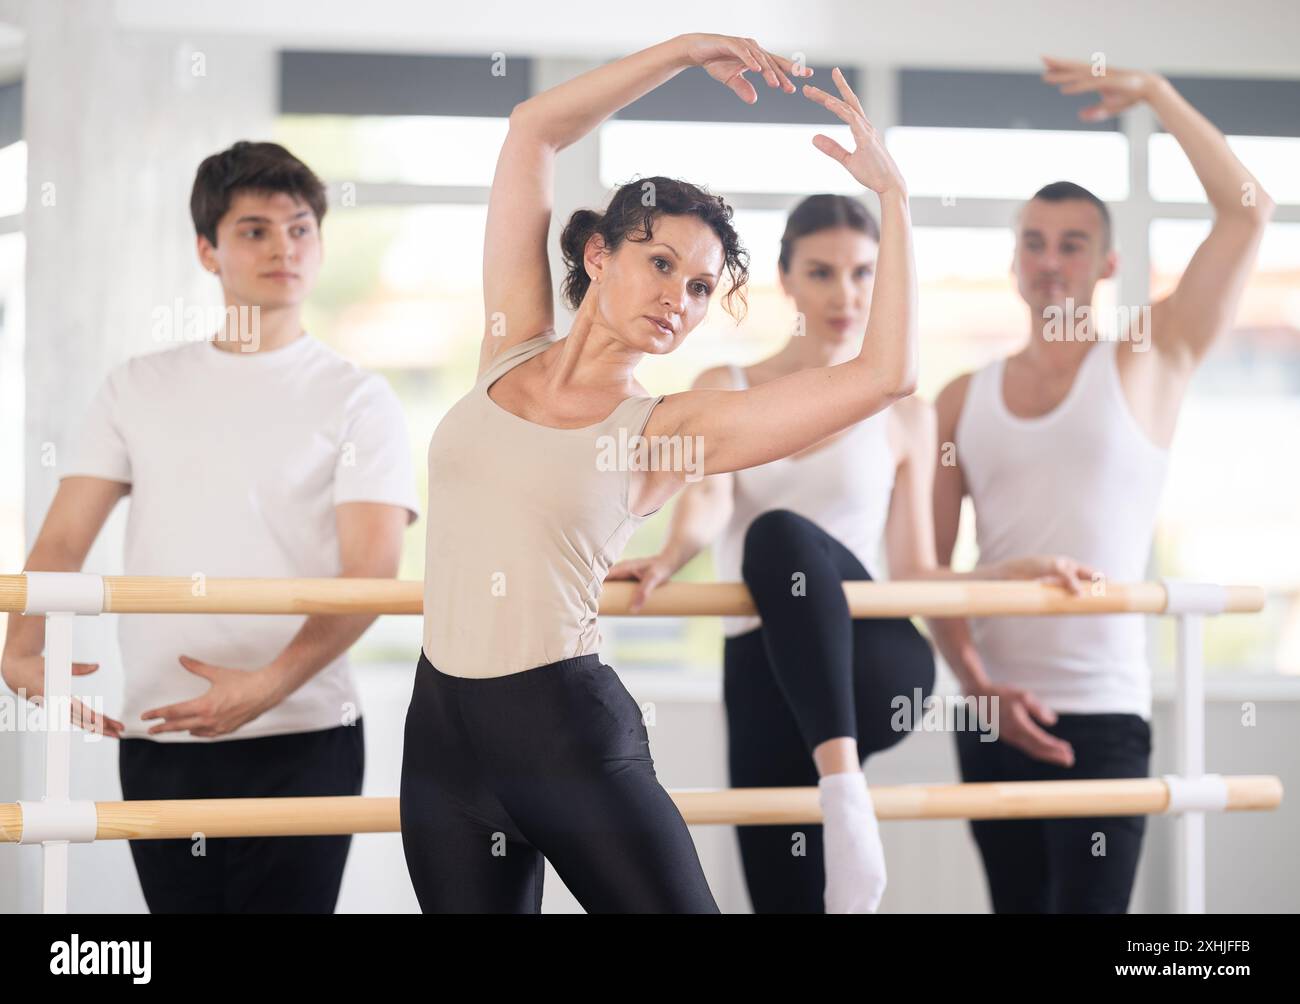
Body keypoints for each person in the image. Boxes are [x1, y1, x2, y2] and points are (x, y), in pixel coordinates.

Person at [400, 32, 918, 913]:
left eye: (701, 288)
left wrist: (893, 195)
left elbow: (883, 376)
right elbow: (532, 131)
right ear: (599, 256)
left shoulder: (666, 429)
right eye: (661, 264)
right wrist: (681, 53)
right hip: (439, 741)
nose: (677, 299)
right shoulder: (507, 343)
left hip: (565, 737)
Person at [608, 193, 1095, 913]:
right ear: (785, 278)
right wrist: (668, 556)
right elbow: (705, 500)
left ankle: (843, 789)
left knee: (780, 533)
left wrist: (1012, 572)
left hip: (873, 663)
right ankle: (845, 802)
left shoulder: (906, 412)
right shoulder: (728, 389)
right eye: (823, 272)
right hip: (765, 674)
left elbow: (916, 569)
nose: (847, 294)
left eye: (864, 273)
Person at [0, 141, 421, 913]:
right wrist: (18, 649)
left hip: (305, 735)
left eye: (300, 229)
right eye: (255, 230)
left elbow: (372, 574)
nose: (283, 248)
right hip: (162, 738)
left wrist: (264, 687)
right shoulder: (138, 385)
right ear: (208, 250)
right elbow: (62, 542)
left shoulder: (359, 399)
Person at [931, 57, 1275, 913]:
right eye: (1034, 243)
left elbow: (1247, 211)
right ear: (1014, 261)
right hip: (989, 711)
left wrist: (1158, 96)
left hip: (1104, 712)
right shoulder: (959, 398)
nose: (1051, 262)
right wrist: (977, 688)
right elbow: (929, 576)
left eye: (1072, 243)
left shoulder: (1150, 356)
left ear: (1107, 262)